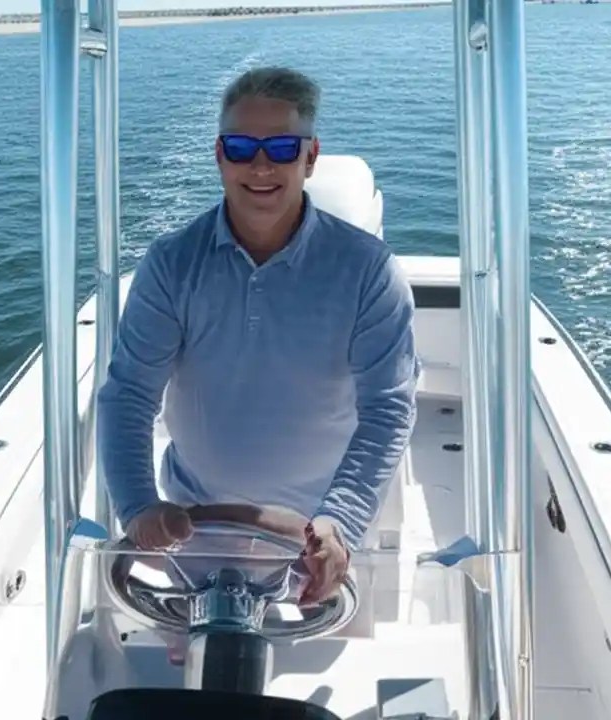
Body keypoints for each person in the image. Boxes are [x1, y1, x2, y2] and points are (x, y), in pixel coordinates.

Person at [96, 66, 418, 609]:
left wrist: (340, 521)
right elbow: (129, 394)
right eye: (242, 147)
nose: (261, 165)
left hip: (316, 534)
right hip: (193, 528)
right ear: (220, 155)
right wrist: (138, 508)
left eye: (282, 148)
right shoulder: (171, 265)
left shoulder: (369, 273)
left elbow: (388, 411)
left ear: (310, 157)